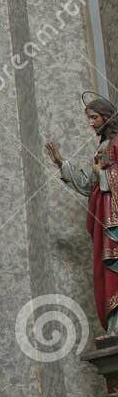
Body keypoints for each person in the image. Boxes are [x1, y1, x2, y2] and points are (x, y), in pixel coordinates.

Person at [46, 93, 118, 335]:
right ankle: (115, 325)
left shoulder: (117, 143)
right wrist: (62, 163)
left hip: (114, 219)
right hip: (103, 220)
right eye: (89, 118)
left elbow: (105, 177)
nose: (91, 123)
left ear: (107, 117)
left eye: (94, 117)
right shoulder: (102, 148)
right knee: (106, 272)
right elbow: (89, 185)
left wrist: (102, 174)